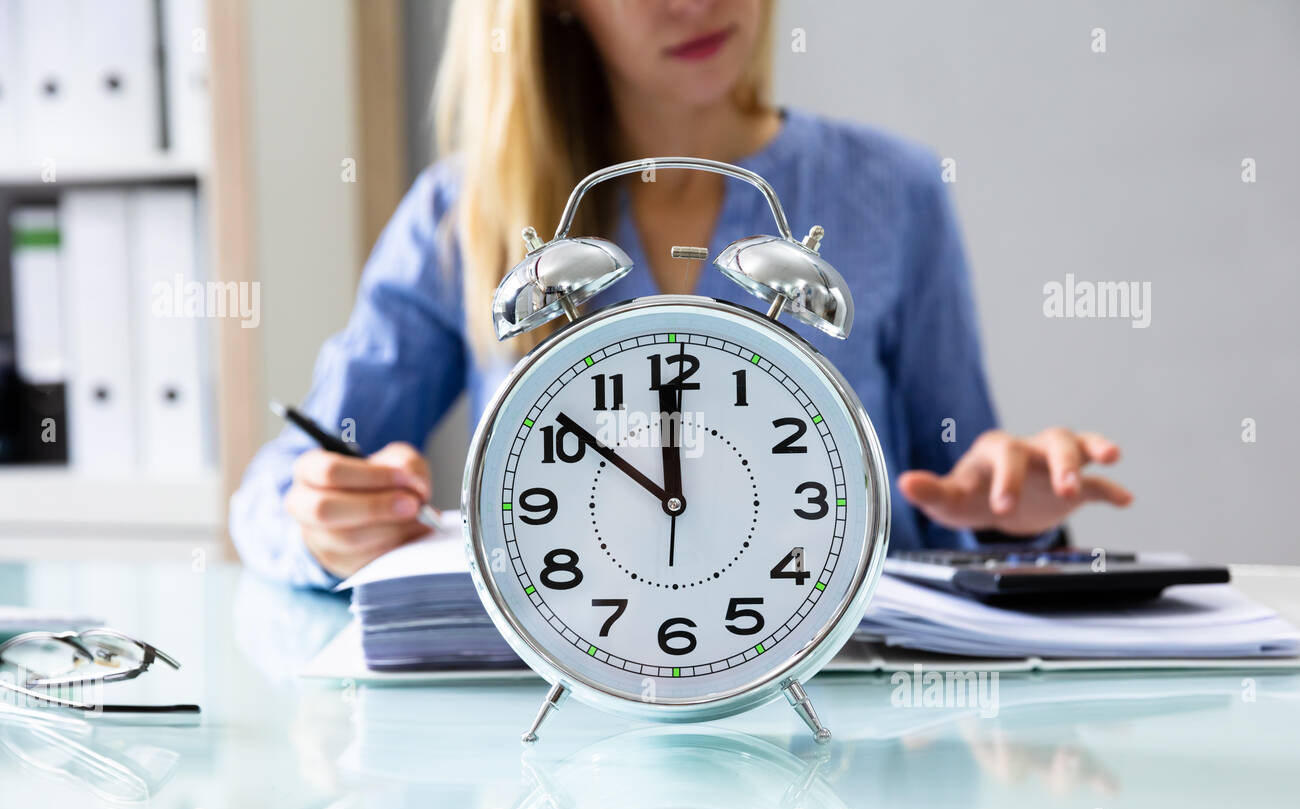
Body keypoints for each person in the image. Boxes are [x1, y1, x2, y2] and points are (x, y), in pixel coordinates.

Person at [230, 0, 1132, 586]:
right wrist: (318, 521)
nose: (695, 3)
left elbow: (957, 489)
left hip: (839, 723)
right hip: (563, 729)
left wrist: (1012, 515)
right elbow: (276, 486)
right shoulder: (460, 216)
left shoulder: (893, 193)